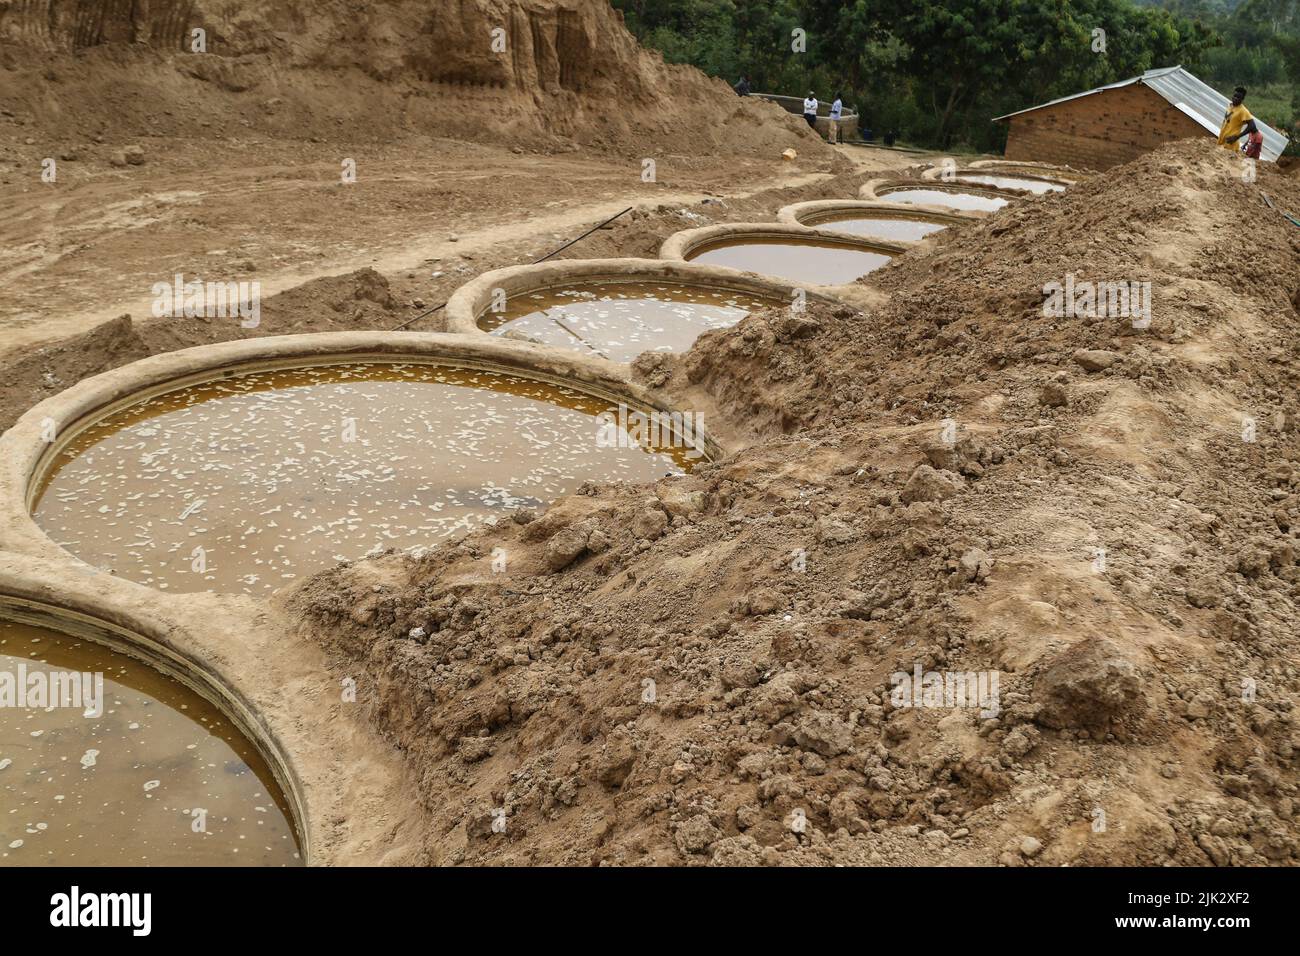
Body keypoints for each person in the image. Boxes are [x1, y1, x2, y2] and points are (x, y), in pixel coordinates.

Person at [1218, 87, 1257, 153]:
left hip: (1231, 144)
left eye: (1238, 97)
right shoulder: (1230, 106)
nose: (1235, 98)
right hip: (1222, 140)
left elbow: (1252, 126)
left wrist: (1236, 137)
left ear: (1242, 99)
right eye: (1234, 96)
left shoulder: (1243, 111)